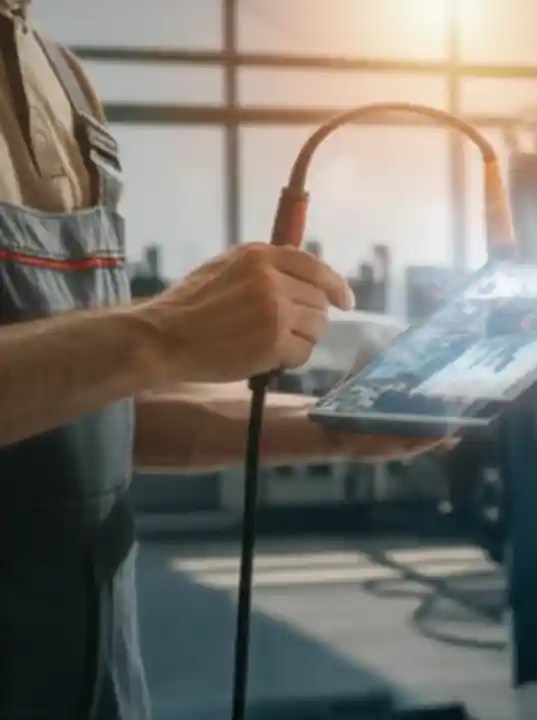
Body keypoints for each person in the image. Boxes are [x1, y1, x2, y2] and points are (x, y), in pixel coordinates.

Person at [0, 3, 449, 718]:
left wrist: (337, 426)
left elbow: (90, 418)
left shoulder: (62, 76)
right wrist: (164, 332)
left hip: (95, 680)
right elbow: (133, 352)